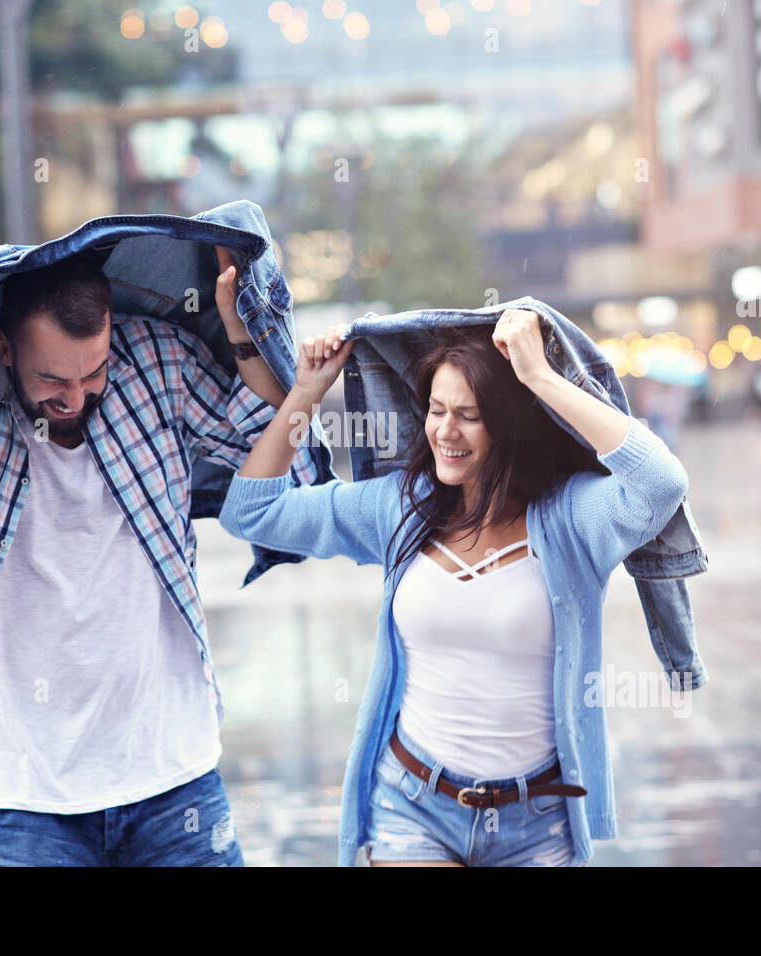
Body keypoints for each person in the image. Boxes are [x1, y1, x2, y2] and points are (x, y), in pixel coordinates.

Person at [0, 247, 304, 865]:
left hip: (170, 775)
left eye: (93, 372)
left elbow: (271, 448)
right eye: (53, 380)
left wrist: (243, 336)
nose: (76, 398)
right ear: (3, 349)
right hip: (18, 795)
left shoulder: (157, 360)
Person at [218, 309, 691, 866]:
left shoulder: (570, 520)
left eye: (468, 415)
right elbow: (252, 510)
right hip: (413, 804)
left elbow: (661, 484)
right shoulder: (399, 506)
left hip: (538, 821)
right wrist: (306, 391)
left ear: (510, 423)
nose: (445, 431)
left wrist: (541, 377)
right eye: (437, 410)